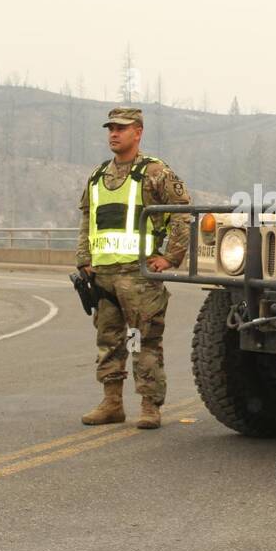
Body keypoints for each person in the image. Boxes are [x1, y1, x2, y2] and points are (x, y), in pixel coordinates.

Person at [75, 108, 190, 429]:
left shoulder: (155, 172)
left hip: (139, 276)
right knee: (108, 341)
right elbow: (87, 219)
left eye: (121, 128)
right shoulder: (98, 175)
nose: (114, 133)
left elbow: (182, 213)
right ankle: (112, 403)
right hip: (104, 276)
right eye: (110, 128)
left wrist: (171, 257)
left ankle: (150, 406)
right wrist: (84, 260)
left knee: (145, 342)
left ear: (137, 132)